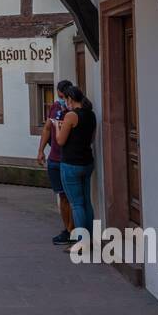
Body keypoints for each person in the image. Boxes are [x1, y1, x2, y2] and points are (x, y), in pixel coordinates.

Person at [52, 86, 97, 249]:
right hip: (87, 162)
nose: (65, 102)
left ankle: (81, 241)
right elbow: (92, 139)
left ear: (70, 99)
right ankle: (90, 238)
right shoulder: (91, 115)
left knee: (76, 204)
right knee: (86, 201)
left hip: (71, 163)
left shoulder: (71, 116)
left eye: (65, 99)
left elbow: (60, 141)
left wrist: (58, 126)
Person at [38, 79, 74, 245]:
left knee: (71, 198)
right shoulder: (54, 107)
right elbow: (47, 128)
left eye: (62, 97)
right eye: (59, 96)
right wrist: (41, 150)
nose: (60, 100)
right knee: (62, 196)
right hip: (54, 158)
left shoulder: (74, 111)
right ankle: (67, 229)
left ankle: (73, 231)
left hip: (68, 159)